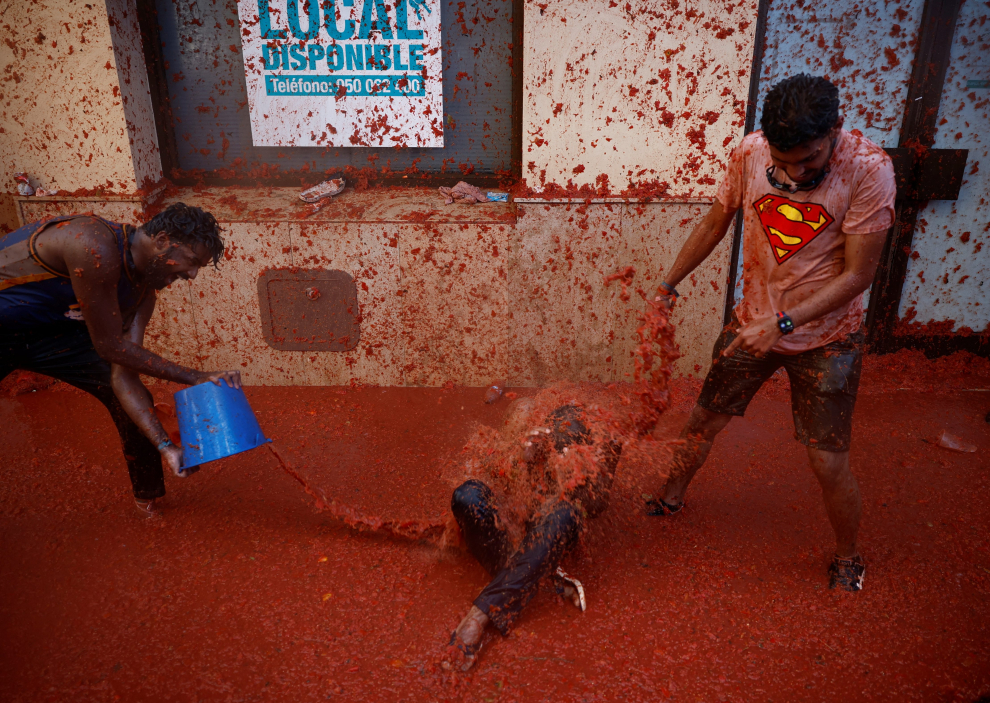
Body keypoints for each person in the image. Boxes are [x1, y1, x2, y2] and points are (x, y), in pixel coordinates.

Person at [646, 74, 895, 591]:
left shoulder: (869, 169)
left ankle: (849, 555)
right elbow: (717, 221)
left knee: (826, 462)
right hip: (752, 322)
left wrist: (782, 324)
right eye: (783, 163)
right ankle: (670, 495)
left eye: (808, 160)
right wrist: (668, 283)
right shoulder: (750, 153)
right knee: (703, 420)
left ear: (835, 132)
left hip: (827, 338)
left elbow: (859, 275)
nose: (794, 173)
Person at [0, 203, 242, 516]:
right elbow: (110, 347)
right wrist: (195, 376)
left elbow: (122, 373)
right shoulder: (91, 243)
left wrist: (166, 446)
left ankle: (147, 498)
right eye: (192, 261)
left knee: (130, 394)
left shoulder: (143, 292)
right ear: (162, 239)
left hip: (55, 333)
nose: (192, 275)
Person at [446, 394, 630, 671]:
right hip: (510, 535)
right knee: (467, 495)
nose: (561, 459)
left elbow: (595, 506)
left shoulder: (598, 449)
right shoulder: (524, 420)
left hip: (548, 533)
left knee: (566, 514)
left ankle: (479, 615)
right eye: (558, 452)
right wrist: (522, 461)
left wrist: (586, 476)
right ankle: (537, 575)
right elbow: (488, 477)